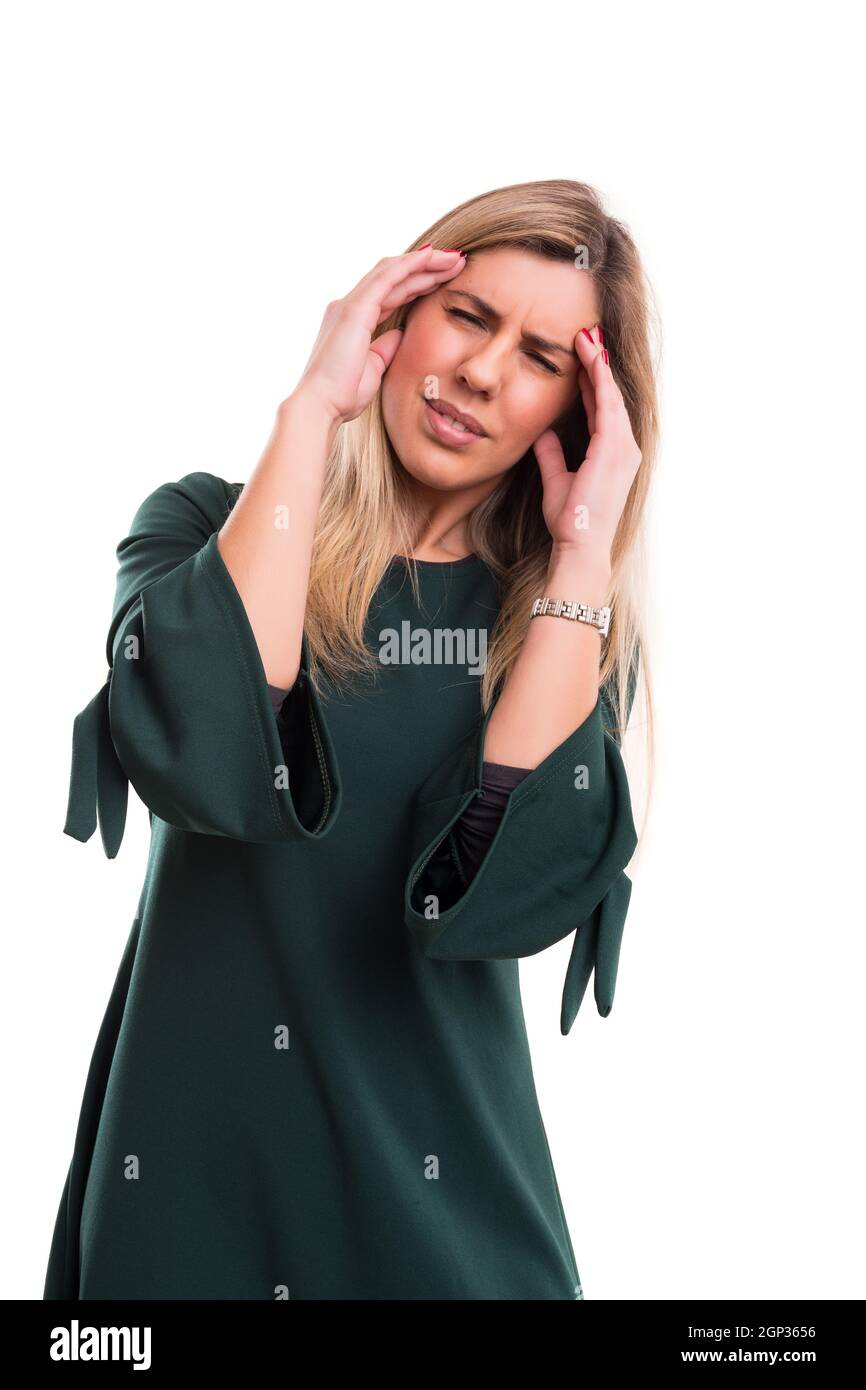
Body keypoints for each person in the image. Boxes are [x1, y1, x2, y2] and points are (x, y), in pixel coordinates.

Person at [45, 178, 657, 1301]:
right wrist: (308, 411)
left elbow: (501, 901)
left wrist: (580, 561)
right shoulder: (196, 527)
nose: (479, 371)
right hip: (182, 1213)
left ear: (570, 417)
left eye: (537, 359)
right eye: (467, 316)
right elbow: (208, 761)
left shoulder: (557, 642)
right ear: (394, 316)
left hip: (449, 1234)